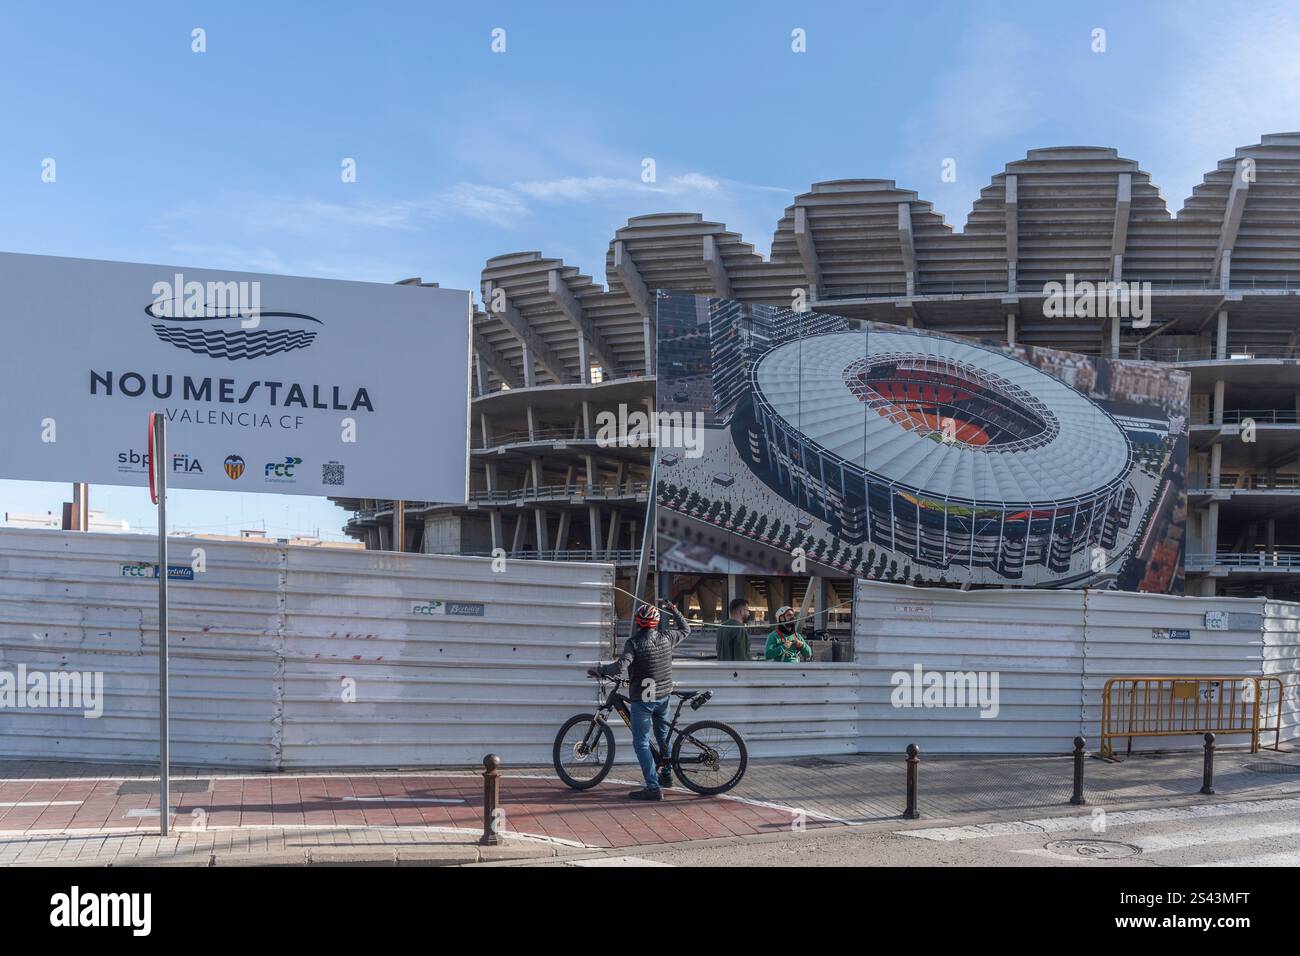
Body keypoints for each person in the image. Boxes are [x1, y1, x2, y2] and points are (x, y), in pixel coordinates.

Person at [589, 599, 689, 801]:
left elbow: (620, 667)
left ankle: (652, 788)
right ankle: (667, 775)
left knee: (641, 742)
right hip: (663, 696)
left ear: (637, 622)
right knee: (662, 737)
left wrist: (600, 671)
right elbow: (685, 629)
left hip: (644, 700)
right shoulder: (666, 637)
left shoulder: (633, 643)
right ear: (656, 623)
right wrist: (675, 609)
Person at [715, 597, 751, 661]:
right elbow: (741, 656)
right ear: (741, 611)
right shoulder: (739, 628)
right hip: (736, 669)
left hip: (722, 668)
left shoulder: (721, 627)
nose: (749, 613)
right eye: (747, 610)